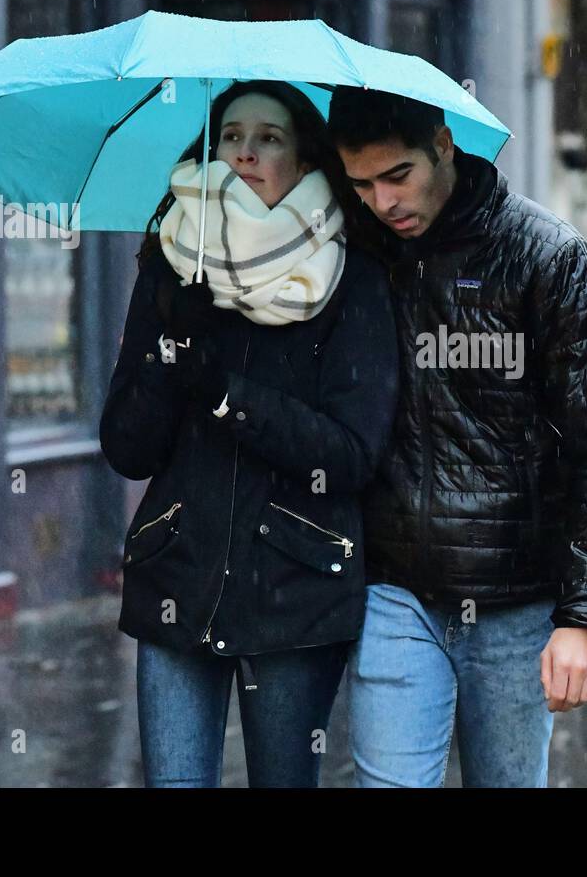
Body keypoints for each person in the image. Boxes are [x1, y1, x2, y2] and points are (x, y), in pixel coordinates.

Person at [325, 88, 587, 787]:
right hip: (393, 590)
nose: (381, 201)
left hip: (516, 600)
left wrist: (583, 617)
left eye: (396, 176)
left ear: (443, 144)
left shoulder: (544, 255)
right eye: (361, 184)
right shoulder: (352, 253)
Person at [99, 79, 398, 787]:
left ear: (304, 158)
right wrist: (174, 358)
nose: (245, 153)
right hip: (177, 575)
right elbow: (127, 447)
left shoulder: (352, 277)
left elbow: (350, 454)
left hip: (296, 588)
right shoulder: (170, 265)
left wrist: (227, 395)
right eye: (231, 136)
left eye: (268, 138)